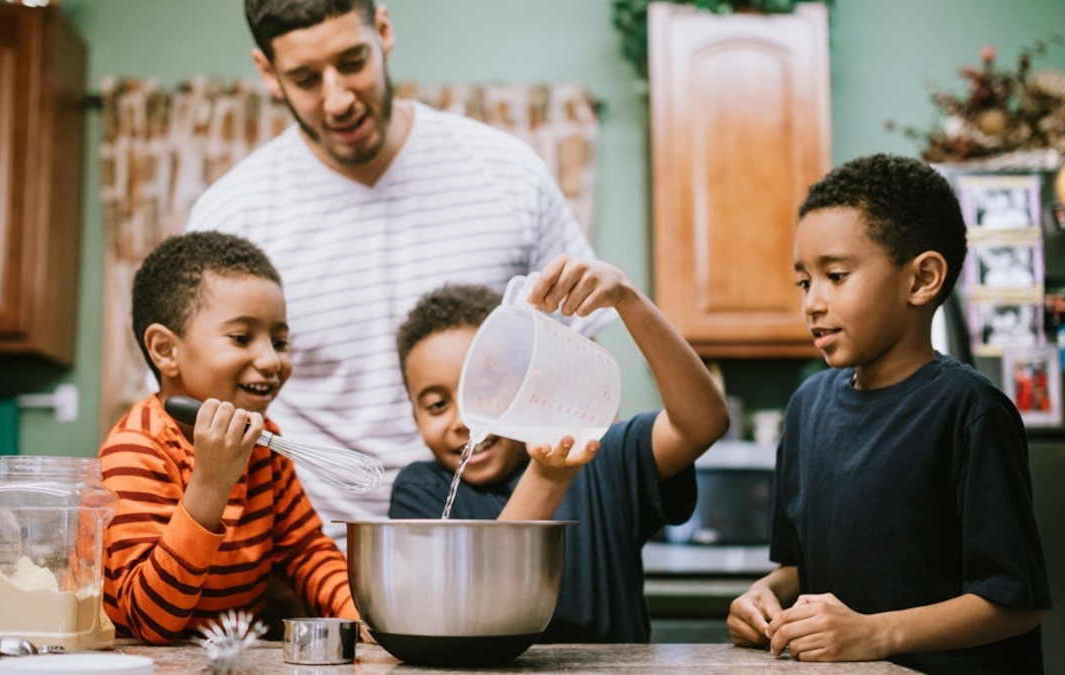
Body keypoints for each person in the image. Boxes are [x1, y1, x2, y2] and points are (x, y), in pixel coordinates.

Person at [183, 0, 612, 545]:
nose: (337, 99)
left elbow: (575, 371)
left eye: (353, 61)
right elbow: (201, 407)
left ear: (383, 31)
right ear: (268, 73)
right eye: (306, 78)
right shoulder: (232, 215)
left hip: (494, 548)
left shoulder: (508, 173)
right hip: (311, 563)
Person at [727, 154, 1052, 673]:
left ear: (922, 279)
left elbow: (1017, 603)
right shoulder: (807, 408)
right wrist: (763, 597)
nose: (811, 302)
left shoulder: (969, 411)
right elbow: (797, 568)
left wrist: (876, 633)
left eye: (835, 275)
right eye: (804, 282)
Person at [389, 254, 730, 643]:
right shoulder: (420, 492)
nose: (462, 418)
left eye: (482, 389)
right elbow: (472, 603)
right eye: (436, 405)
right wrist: (548, 477)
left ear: (527, 380)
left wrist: (629, 299)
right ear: (415, 418)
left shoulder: (598, 454)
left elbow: (704, 422)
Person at [99, 231, 357, 644]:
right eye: (241, 338)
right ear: (166, 350)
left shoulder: (265, 443)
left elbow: (305, 550)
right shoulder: (136, 450)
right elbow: (151, 622)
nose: (271, 360)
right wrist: (211, 483)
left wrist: (362, 618)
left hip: (237, 654)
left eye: (279, 341)